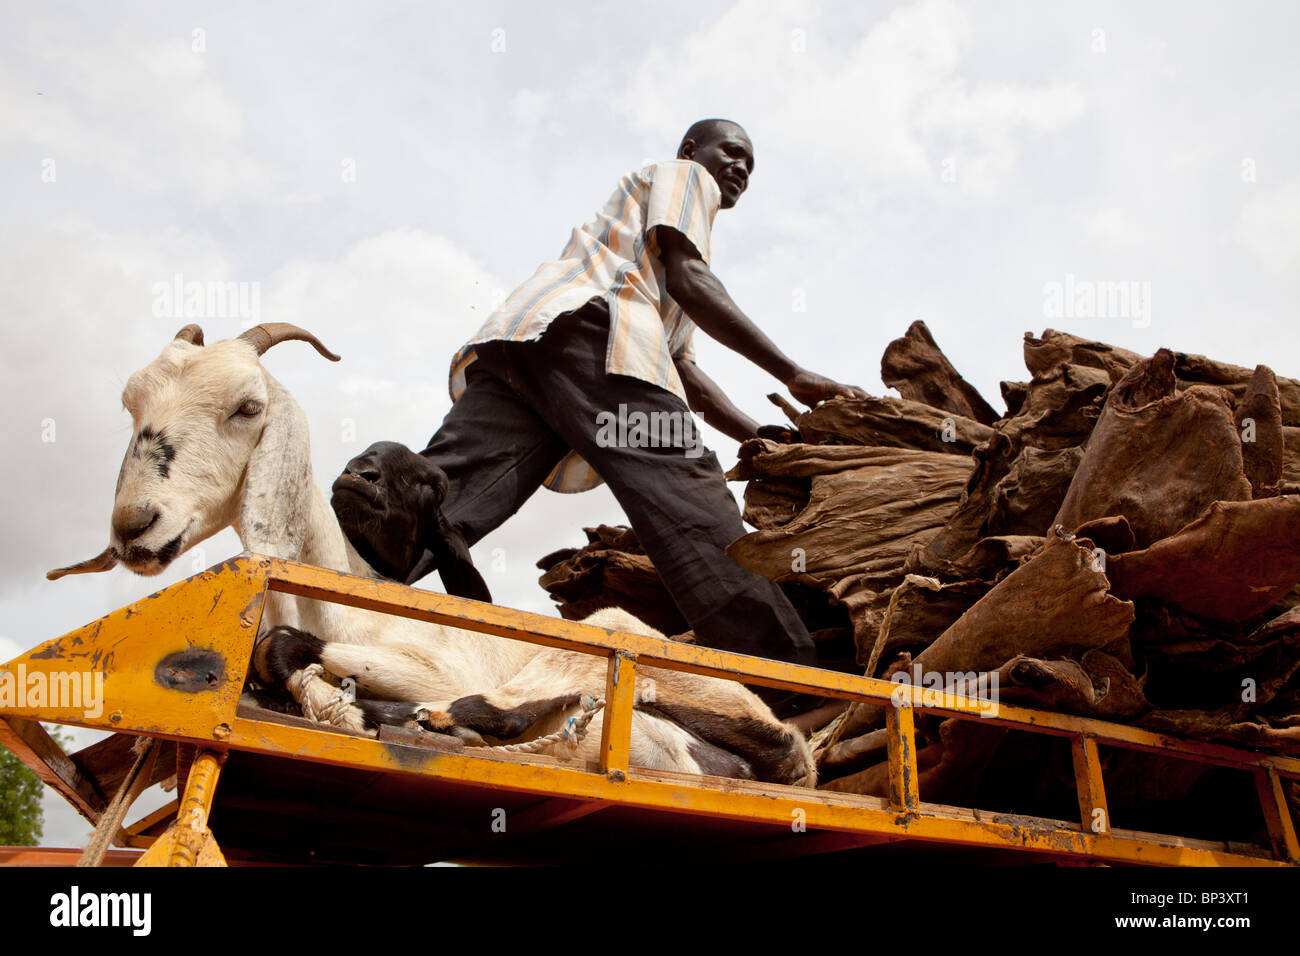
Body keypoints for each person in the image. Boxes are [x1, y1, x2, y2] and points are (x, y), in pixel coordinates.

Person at [342, 119, 867, 719]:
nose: (741, 167)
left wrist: (760, 437)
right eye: (732, 151)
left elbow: (686, 376)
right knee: (690, 502)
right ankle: (788, 682)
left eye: (751, 162)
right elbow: (694, 283)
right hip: (594, 332)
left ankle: (322, 587)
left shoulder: (656, 270)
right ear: (692, 151)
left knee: (443, 496)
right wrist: (793, 373)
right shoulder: (684, 181)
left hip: (527, 343)